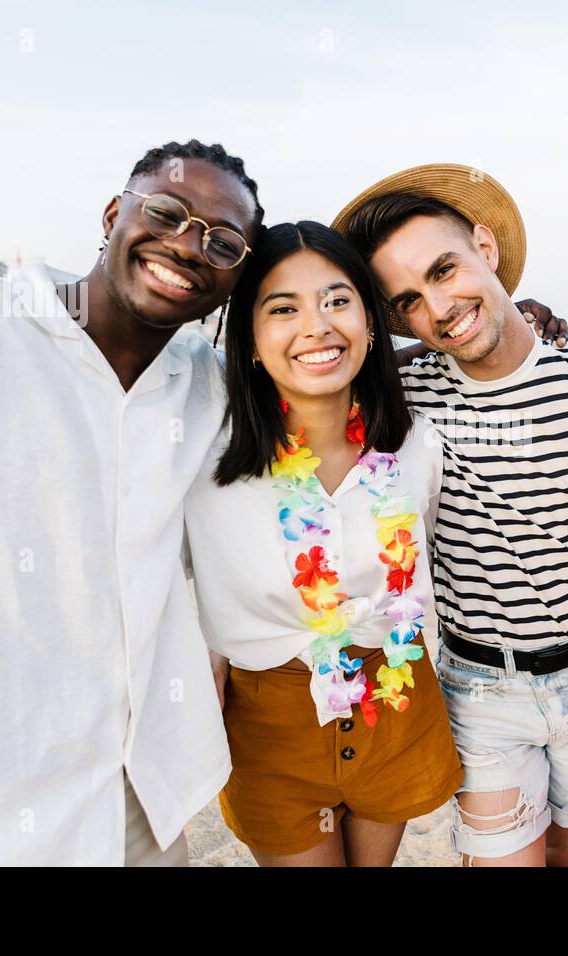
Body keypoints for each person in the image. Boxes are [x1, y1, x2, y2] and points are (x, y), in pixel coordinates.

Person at [0, 140, 263, 866]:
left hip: (137, 808)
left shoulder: (204, 386)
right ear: (112, 214)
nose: (188, 245)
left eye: (222, 243)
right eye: (167, 211)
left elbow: (321, 369)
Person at [335, 165, 568, 866]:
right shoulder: (402, 395)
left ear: (486, 248)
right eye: (408, 300)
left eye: (445, 270)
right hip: (479, 689)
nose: (438, 307)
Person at [183, 221, 463, 866]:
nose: (317, 326)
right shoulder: (205, 451)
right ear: (250, 337)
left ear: (370, 320)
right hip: (270, 715)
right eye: (284, 308)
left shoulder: (417, 443)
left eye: (338, 300)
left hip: (395, 692)